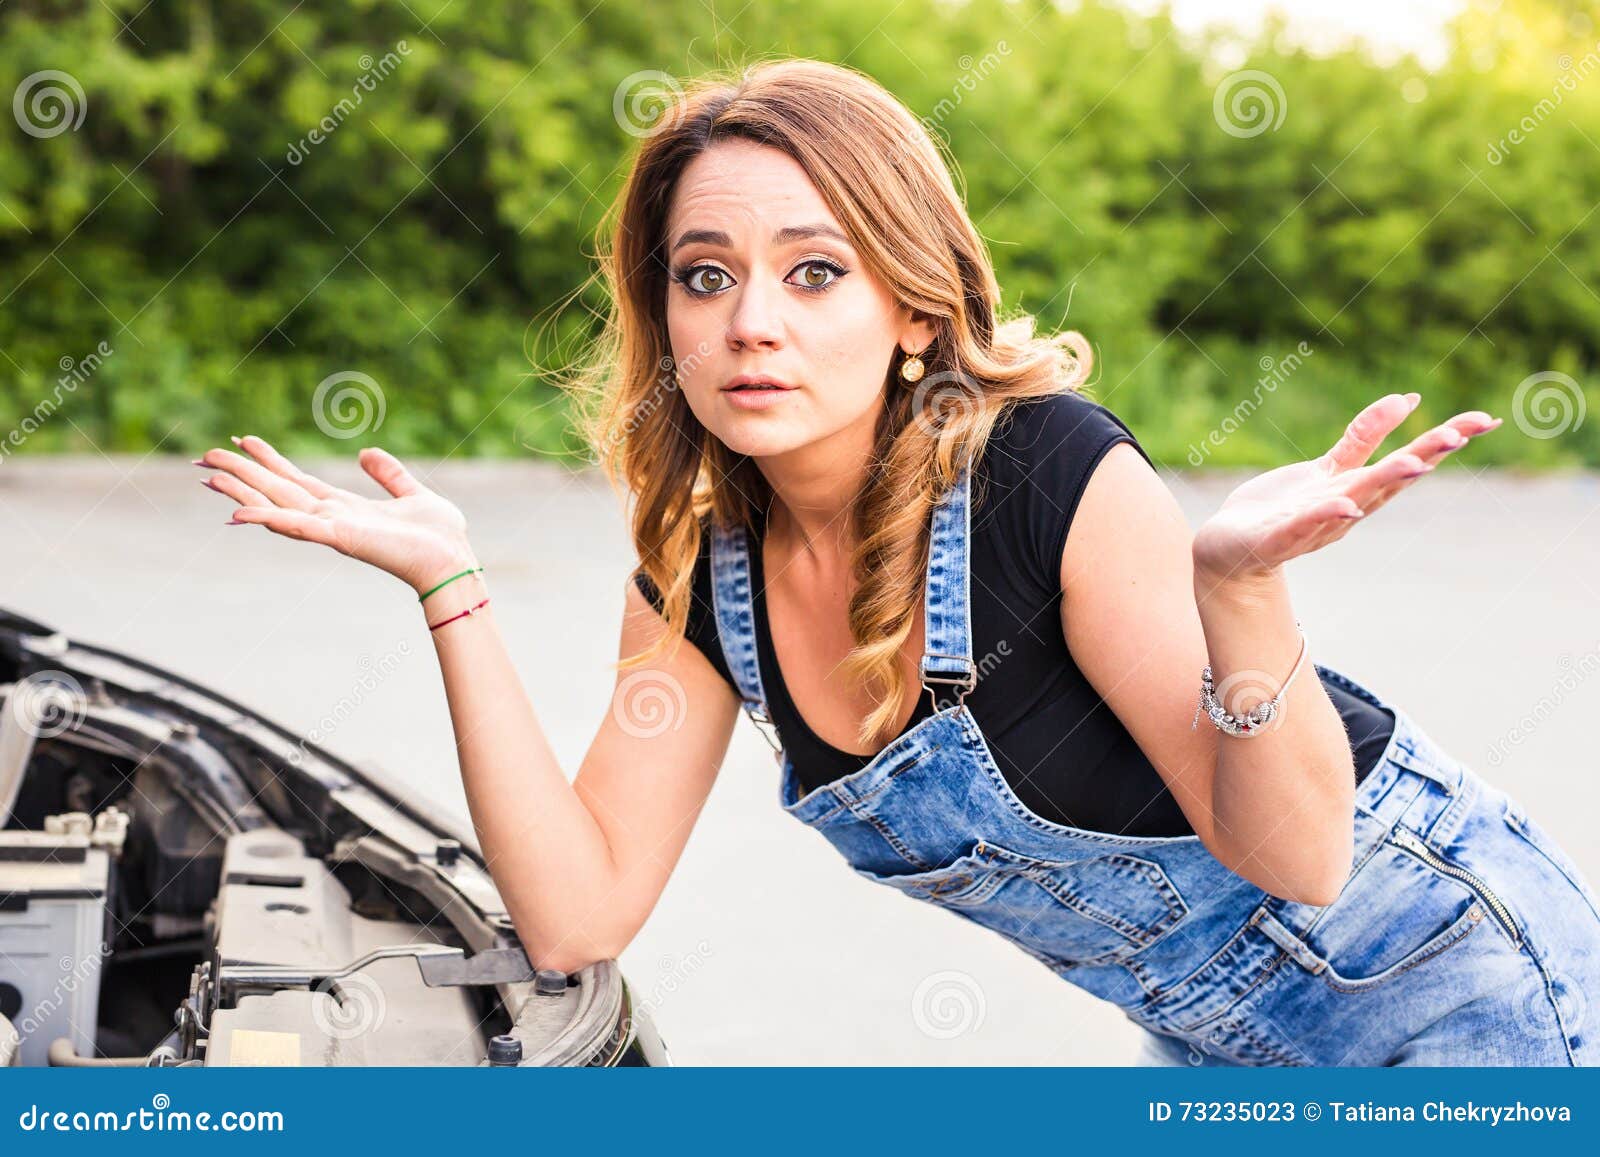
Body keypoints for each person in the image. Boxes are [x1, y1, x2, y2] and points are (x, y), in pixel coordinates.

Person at [196, 58, 1600, 1066]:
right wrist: (454, 589)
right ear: (666, 322)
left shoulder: (1048, 472)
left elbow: (1292, 855)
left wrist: (1238, 590)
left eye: (816, 272)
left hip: (1448, 984)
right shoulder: (702, 578)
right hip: (1213, 1035)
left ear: (914, 312)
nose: (754, 321)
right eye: (705, 274)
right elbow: (578, 910)